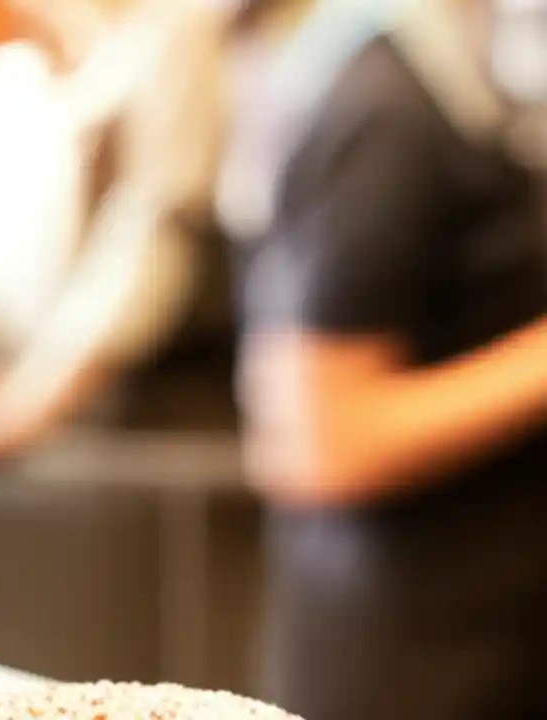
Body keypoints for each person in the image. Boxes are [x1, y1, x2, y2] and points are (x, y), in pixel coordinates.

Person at [235, 0, 547, 716]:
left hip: (499, 644)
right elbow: (316, 439)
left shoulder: (480, 93)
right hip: (410, 665)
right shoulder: (386, 112)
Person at [0, 0, 235, 459]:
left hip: (145, 416)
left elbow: (153, 241)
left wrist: (24, 407)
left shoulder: (178, 37)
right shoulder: (21, 73)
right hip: (39, 407)